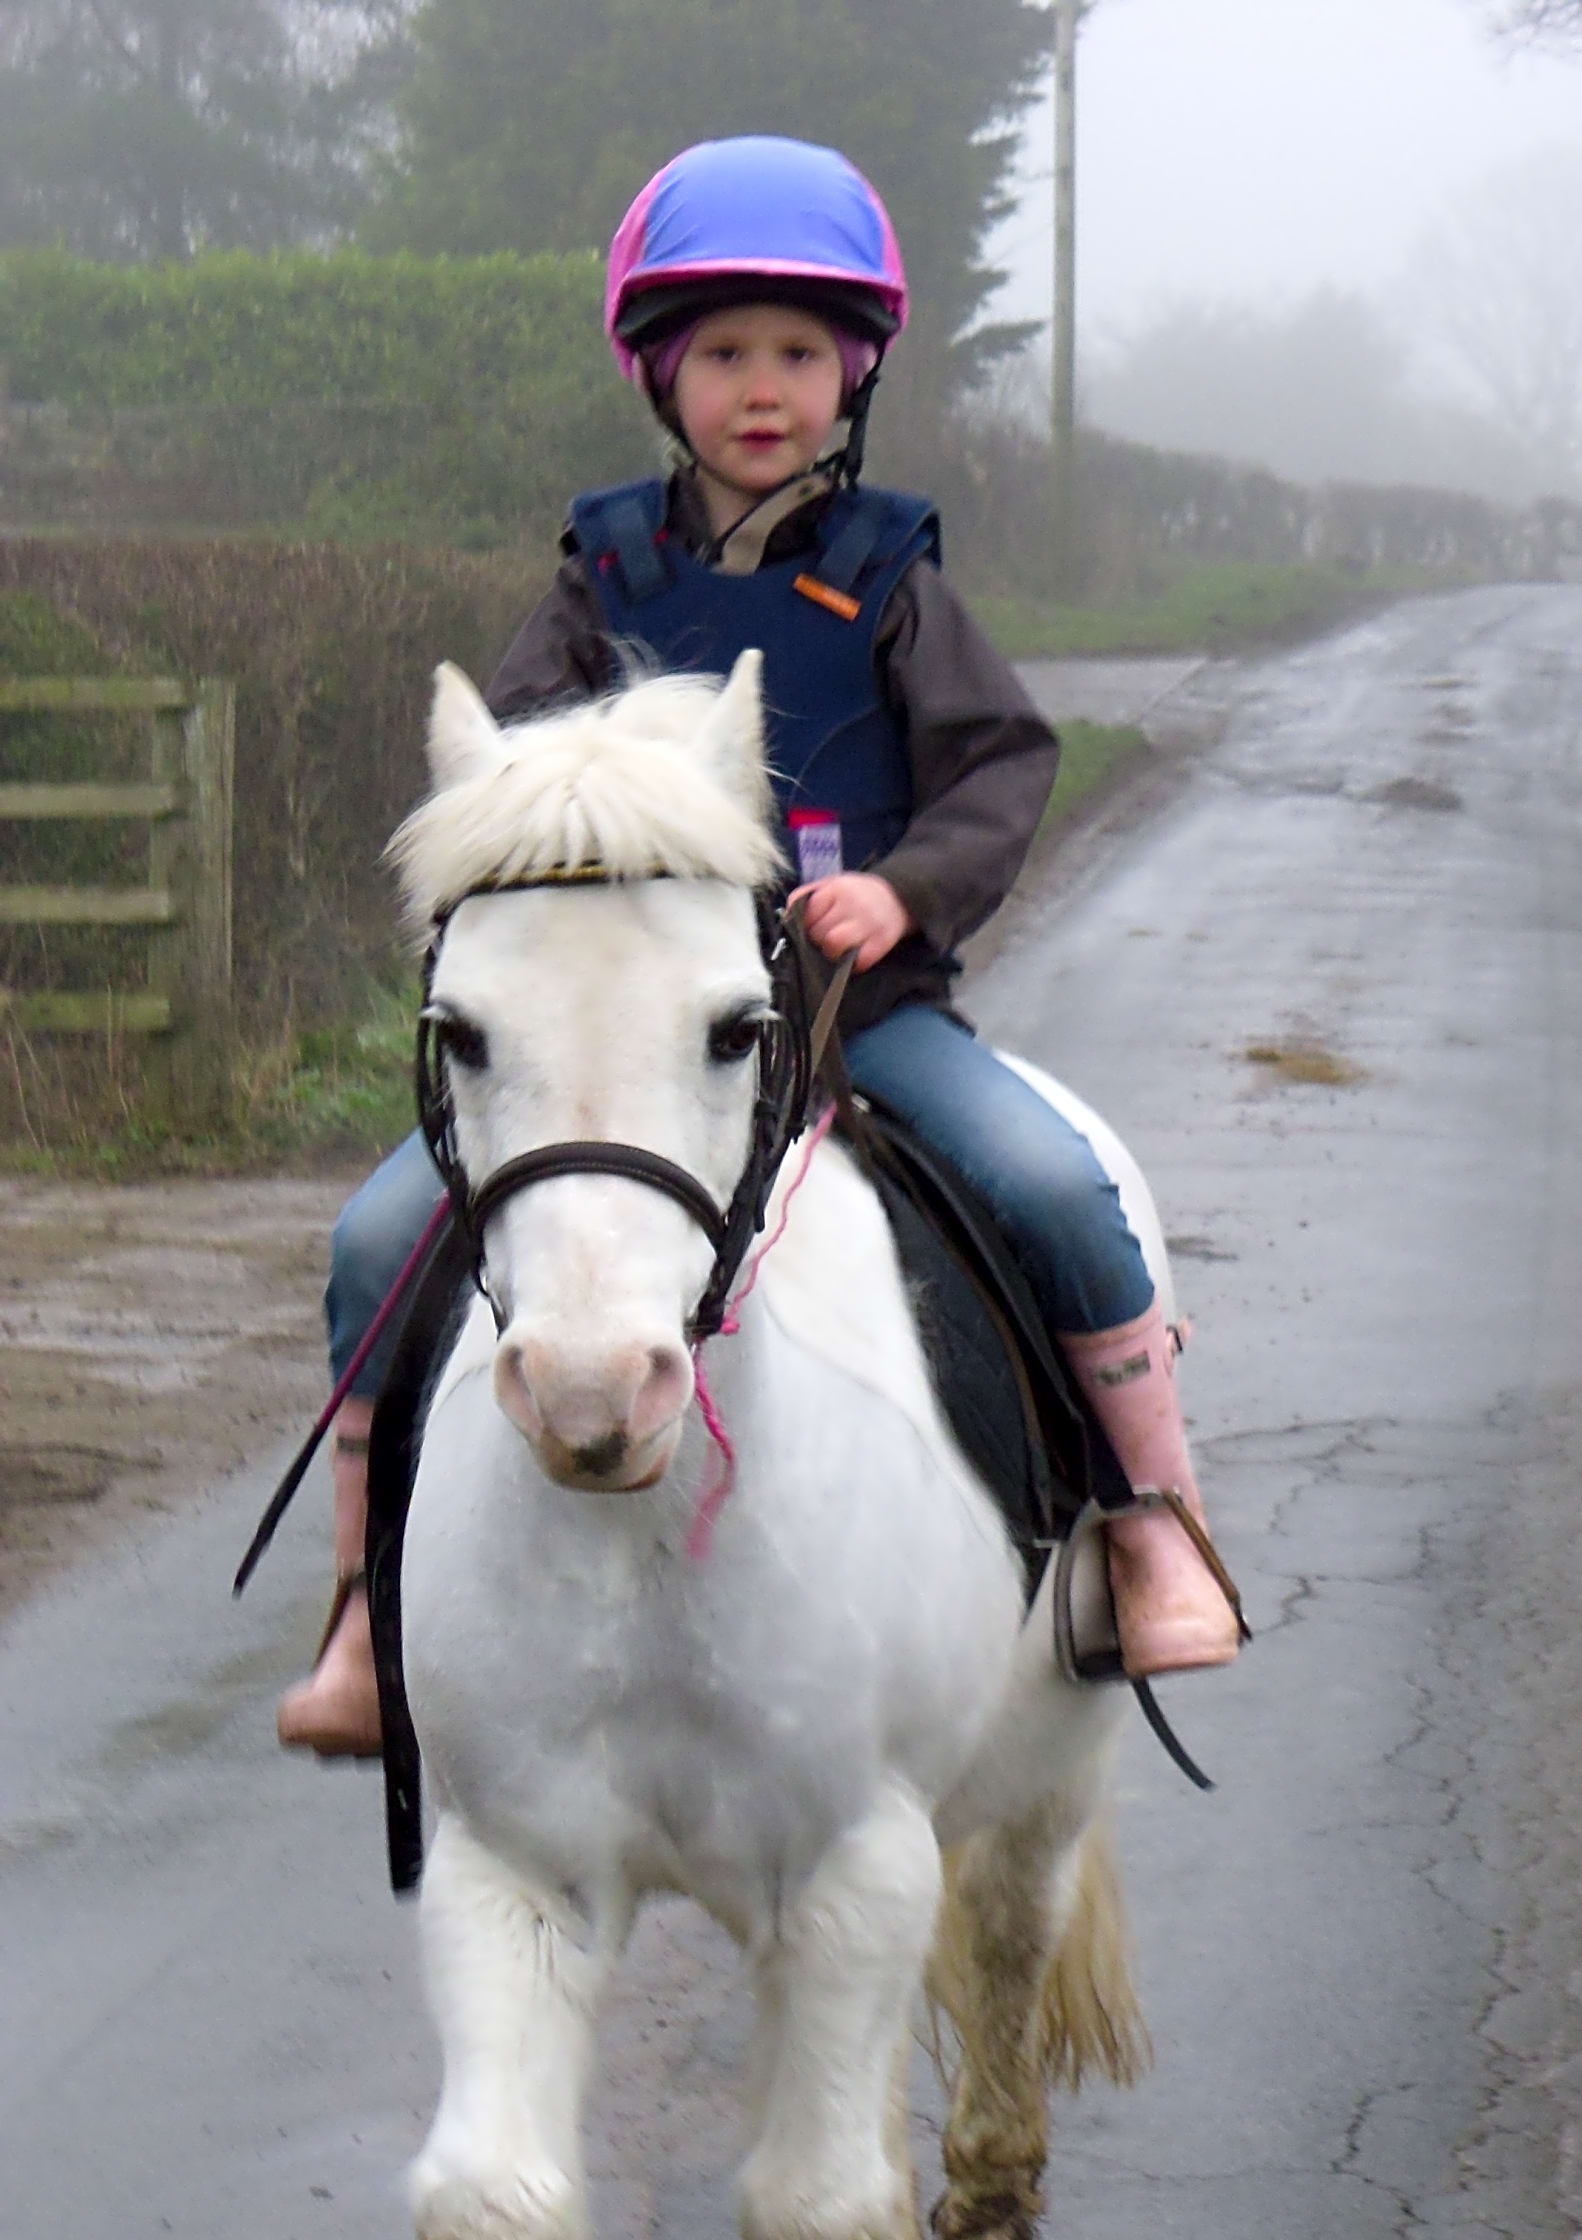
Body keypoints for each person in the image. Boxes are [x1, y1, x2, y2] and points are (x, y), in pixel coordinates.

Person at [277, 136, 1238, 1755]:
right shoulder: (597, 583)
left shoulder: (893, 582)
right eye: (725, 353)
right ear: (662, 377)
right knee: (379, 1245)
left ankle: (1155, 1526)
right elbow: (504, 787)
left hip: (868, 1019)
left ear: (853, 374)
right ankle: (368, 1613)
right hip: (639, 1050)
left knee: (1059, 1191)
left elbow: (1002, 763)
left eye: (799, 352)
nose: (764, 388)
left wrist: (906, 890)